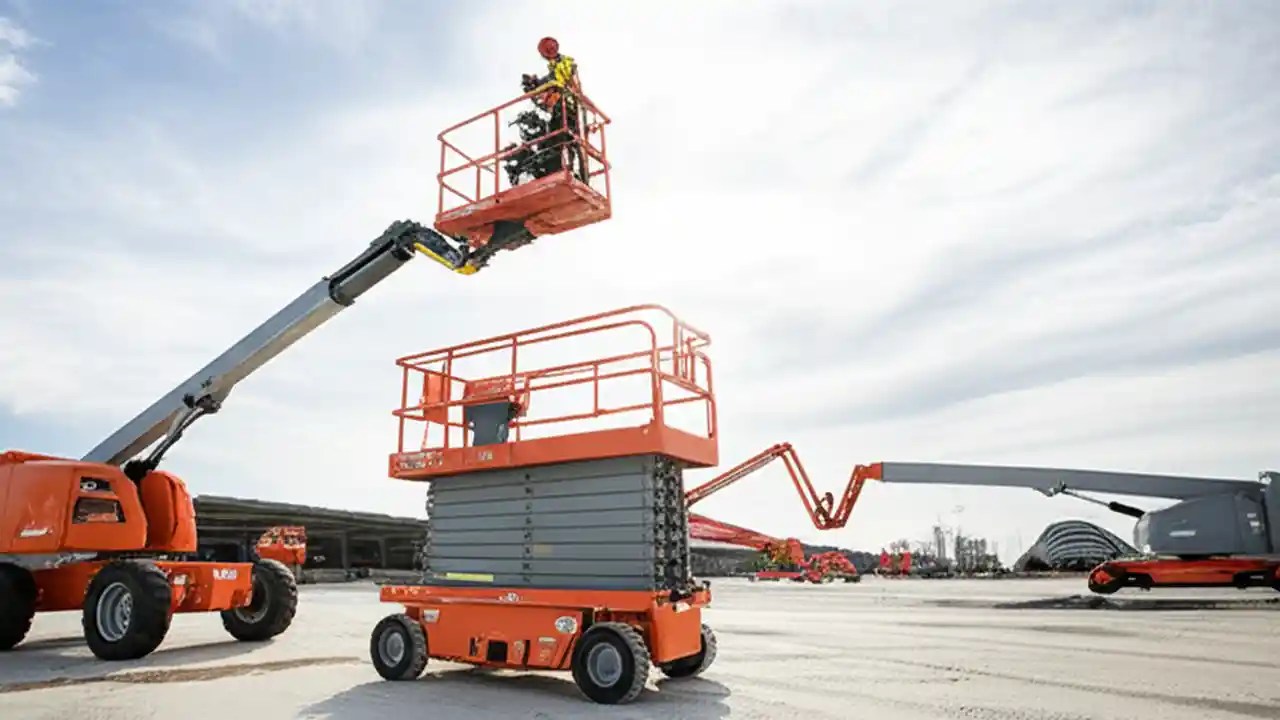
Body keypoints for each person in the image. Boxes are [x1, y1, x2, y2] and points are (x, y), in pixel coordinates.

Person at [528, 36, 585, 180]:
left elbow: (559, 81)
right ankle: (565, 169)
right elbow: (553, 80)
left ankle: (566, 170)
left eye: (547, 51)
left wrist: (538, 84)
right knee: (562, 137)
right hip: (563, 104)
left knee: (563, 137)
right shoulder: (559, 64)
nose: (548, 54)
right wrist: (537, 82)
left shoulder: (564, 63)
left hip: (566, 104)